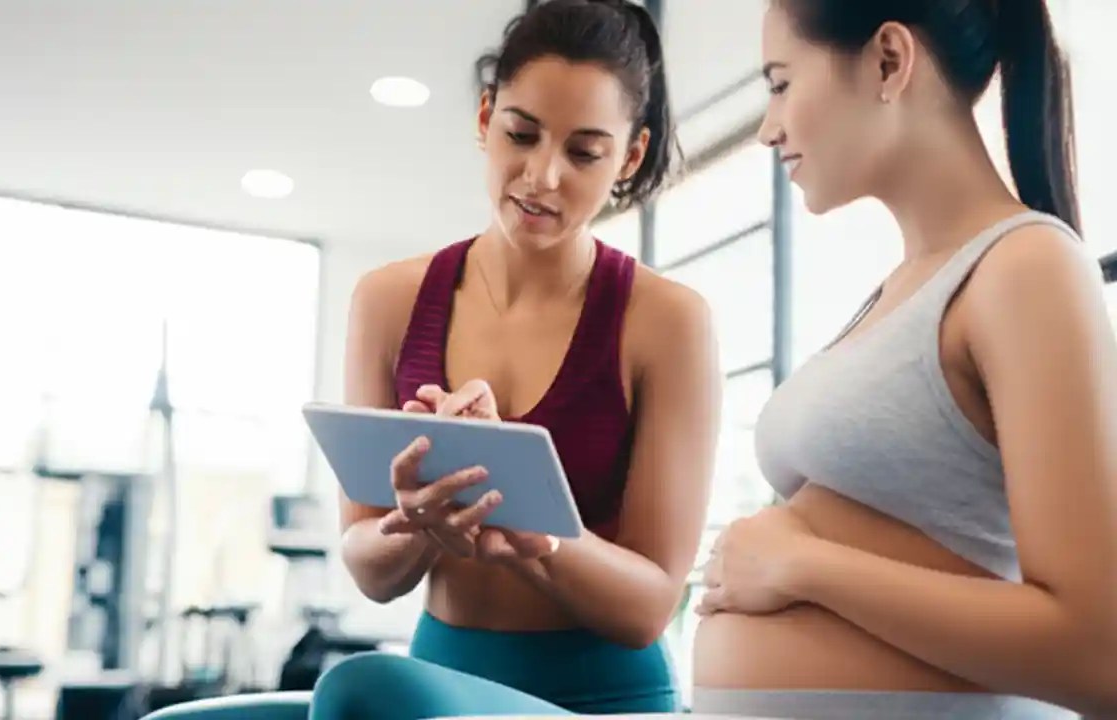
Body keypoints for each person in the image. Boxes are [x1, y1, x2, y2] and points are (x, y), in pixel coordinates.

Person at [691, 1, 1117, 718]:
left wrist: (805, 567)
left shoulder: (1026, 267)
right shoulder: (899, 290)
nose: (769, 126)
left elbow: (1101, 654)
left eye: (780, 82)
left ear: (889, 59)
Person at [307, 1, 722, 717]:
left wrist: (539, 533)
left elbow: (651, 604)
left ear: (628, 156)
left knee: (358, 691)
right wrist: (415, 523)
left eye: (584, 151)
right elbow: (368, 568)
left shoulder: (668, 322)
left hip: (606, 694)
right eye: (521, 133)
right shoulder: (387, 301)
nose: (542, 176)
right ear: (483, 117)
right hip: (443, 678)